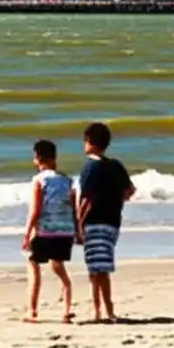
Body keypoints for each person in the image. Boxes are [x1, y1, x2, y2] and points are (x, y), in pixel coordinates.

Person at [77, 122, 136, 323]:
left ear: (90, 143)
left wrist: (78, 223)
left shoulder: (89, 167)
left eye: (85, 141)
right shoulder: (115, 165)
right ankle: (101, 310)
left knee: (96, 269)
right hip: (112, 222)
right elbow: (130, 191)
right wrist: (115, 199)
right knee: (99, 267)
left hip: (94, 222)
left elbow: (85, 200)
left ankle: (103, 311)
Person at [20, 140, 79, 323]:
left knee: (32, 263)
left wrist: (27, 233)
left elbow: (35, 211)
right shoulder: (67, 181)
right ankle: (66, 308)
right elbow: (73, 208)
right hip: (65, 232)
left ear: (38, 158)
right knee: (58, 266)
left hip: (45, 232)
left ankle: (32, 310)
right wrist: (77, 232)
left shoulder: (39, 180)